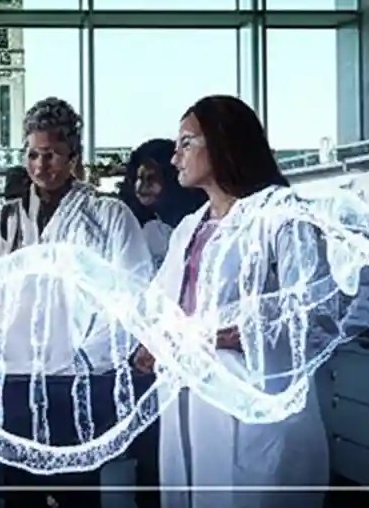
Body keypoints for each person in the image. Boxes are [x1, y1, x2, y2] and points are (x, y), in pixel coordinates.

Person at [133, 95, 329, 508]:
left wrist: (245, 329)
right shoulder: (190, 228)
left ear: (223, 144)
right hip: (189, 398)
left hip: (253, 398)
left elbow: (319, 307)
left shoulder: (281, 215)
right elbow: (161, 303)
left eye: (186, 143)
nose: (174, 158)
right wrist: (150, 340)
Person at [0, 97, 154, 508]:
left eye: (53, 155)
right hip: (15, 379)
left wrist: (86, 359)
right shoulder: (4, 221)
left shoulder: (108, 216)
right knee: (16, 492)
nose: (41, 165)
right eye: (33, 154)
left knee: (76, 492)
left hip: (80, 381)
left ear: (74, 157)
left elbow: (131, 294)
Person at [122, 138, 207, 265]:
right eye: (139, 178)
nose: (142, 186)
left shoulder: (194, 223)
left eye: (151, 178)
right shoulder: (129, 222)